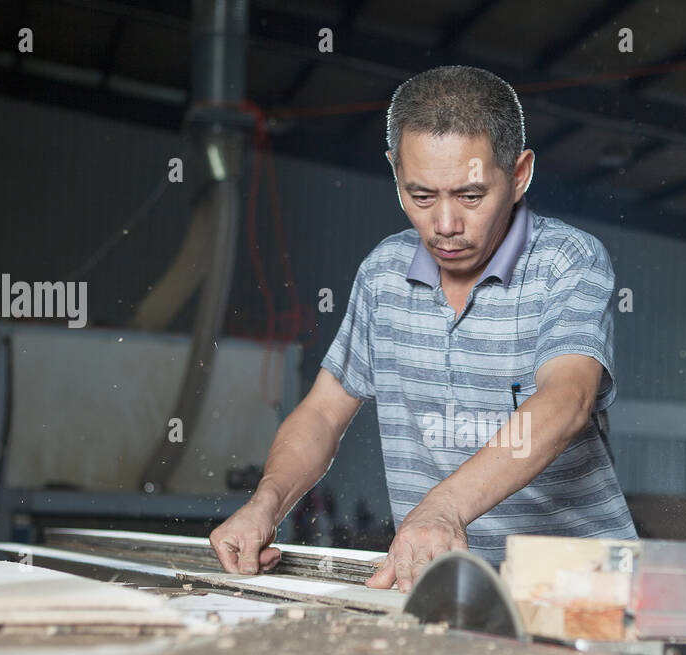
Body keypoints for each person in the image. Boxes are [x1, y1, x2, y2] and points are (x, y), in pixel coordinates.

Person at [209, 64, 636, 592]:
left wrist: (443, 507)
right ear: (394, 171)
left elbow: (566, 401)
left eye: (471, 196)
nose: (445, 225)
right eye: (422, 196)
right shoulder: (383, 275)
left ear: (520, 173)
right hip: (444, 586)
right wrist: (264, 504)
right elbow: (322, 412)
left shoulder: (566, 262)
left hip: (582, 587)